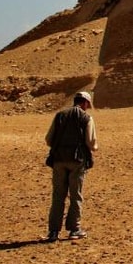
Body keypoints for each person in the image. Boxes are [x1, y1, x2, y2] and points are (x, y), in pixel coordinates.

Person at [45, 91, 98, 241]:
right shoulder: (86, 118)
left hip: (58, 160)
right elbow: (91, 142)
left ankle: (53, 231)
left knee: (58, 196)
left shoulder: (60, 116)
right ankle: (74, 229)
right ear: (85, 103)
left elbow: (49, 139)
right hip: (77, 161)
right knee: (76, 196)